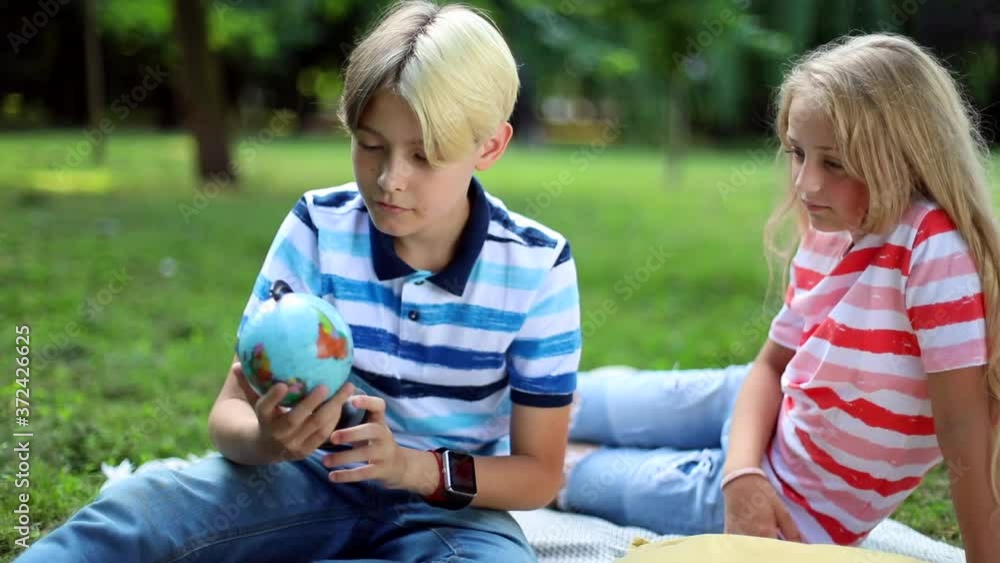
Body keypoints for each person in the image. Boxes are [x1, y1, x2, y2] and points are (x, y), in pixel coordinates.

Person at [16, 2, 580, 561]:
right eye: (370, 145)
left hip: (450, 513)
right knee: (139, 510)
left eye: (425, 156)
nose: (389, 180)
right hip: (302, 480)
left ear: (490, 146)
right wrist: (266, 440)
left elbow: (538, 476)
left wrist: (410, 467)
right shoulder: (319, 227)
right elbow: (228, 414)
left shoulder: (538, 267)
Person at [555, 33, 999, 563]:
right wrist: (741, 469)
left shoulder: (933, 252)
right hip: (752, 408)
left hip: (781, 510)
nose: (806, 184)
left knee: (564, 471)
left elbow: (964, 435)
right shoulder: (831, 230)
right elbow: (769, 368)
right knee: (562, 399)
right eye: (797, 153)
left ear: (903, 156)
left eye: (834, 163)